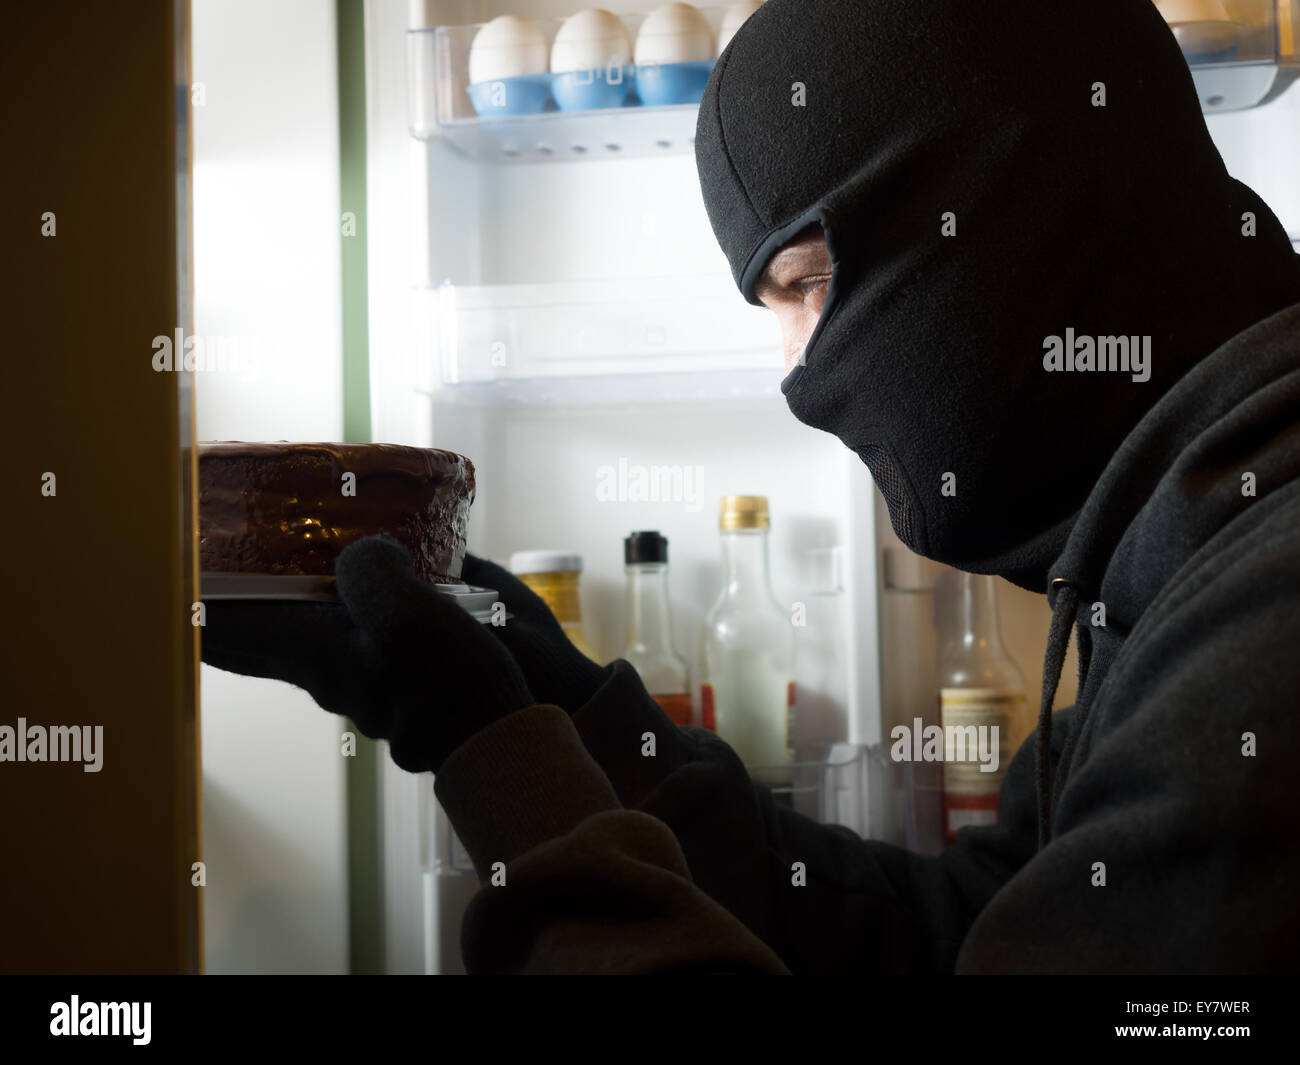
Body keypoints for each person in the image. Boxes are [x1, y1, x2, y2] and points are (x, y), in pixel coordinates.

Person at [204, 0, 1300, 972]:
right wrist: (575, 718)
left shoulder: (1264, 622)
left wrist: (501, 764)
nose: (795, 370)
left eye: (811, 283)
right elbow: (954, 930)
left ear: (1024, 217)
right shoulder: (1178, 556)